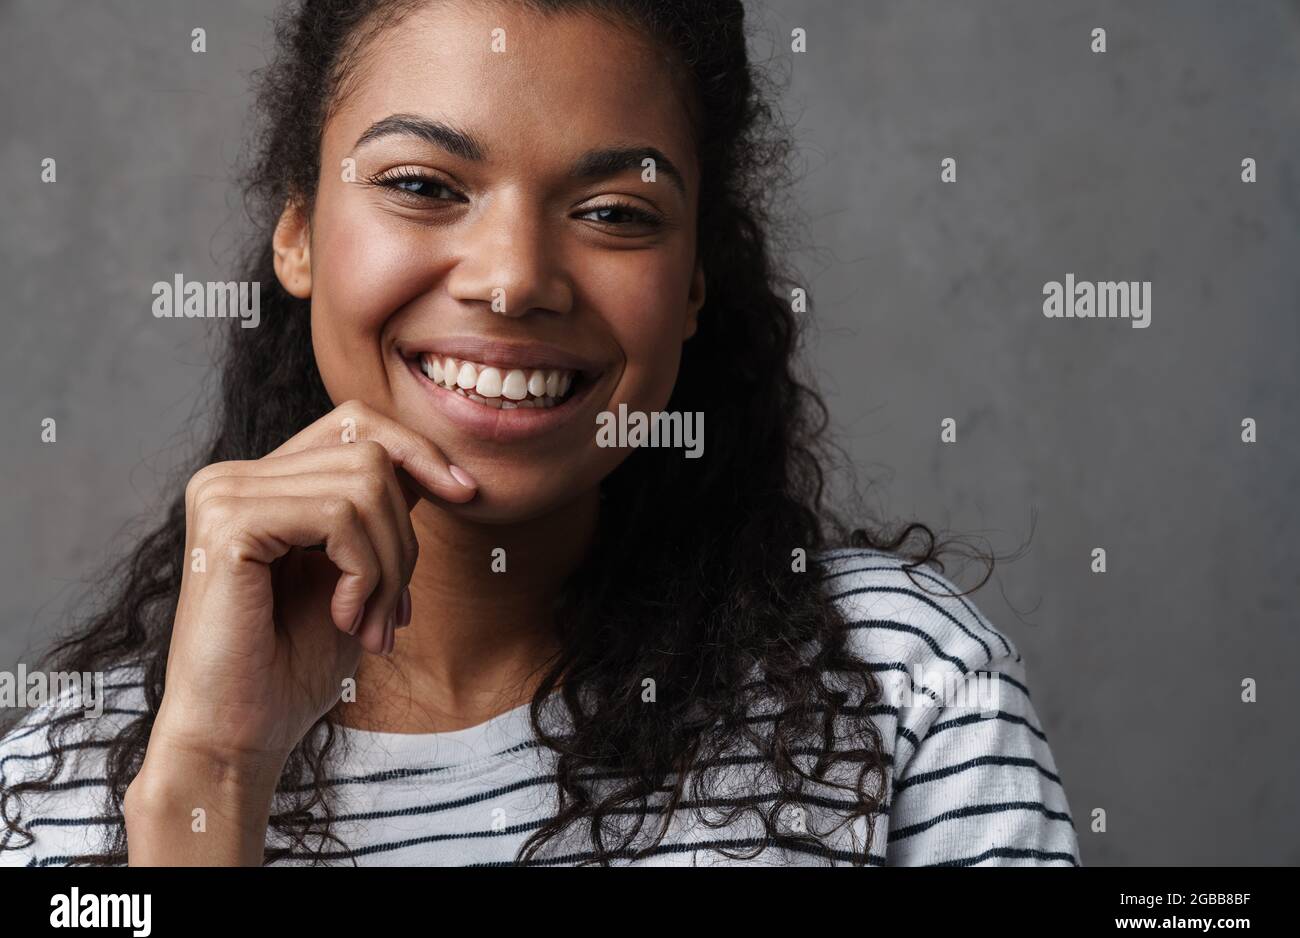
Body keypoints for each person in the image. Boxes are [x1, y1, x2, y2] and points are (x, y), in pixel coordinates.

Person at [0, 0, 1080, 867]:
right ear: (298, 235)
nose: (514, 280)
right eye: (423, 186)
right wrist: (213, 781)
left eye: (614, 212)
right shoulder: (54, 792)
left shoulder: (900, 684)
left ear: (695, 281)